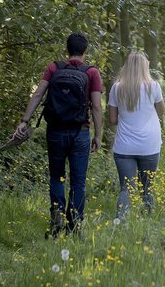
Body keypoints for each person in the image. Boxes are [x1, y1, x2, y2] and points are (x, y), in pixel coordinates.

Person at [13, 33, 104, 237]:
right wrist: (98, 135)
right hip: (80, 132)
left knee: (57, 176)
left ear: (67, 49)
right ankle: (75, 225)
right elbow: (97, 107)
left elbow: (38, 94)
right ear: (85, 50)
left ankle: (56, 219)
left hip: (54, 131)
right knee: (78, 181)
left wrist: (25, 121)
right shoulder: (91, 73)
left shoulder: (54, 68)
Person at [108, 51, 165, 219]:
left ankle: (120, 221)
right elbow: (161, 112)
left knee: (126, 188)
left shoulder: (117, 88)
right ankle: (147, 220)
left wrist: (128, 118)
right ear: (144, 67)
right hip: (149, 145)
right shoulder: (153, 86)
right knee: (147, 187)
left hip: (124, 146)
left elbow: (112, 119)